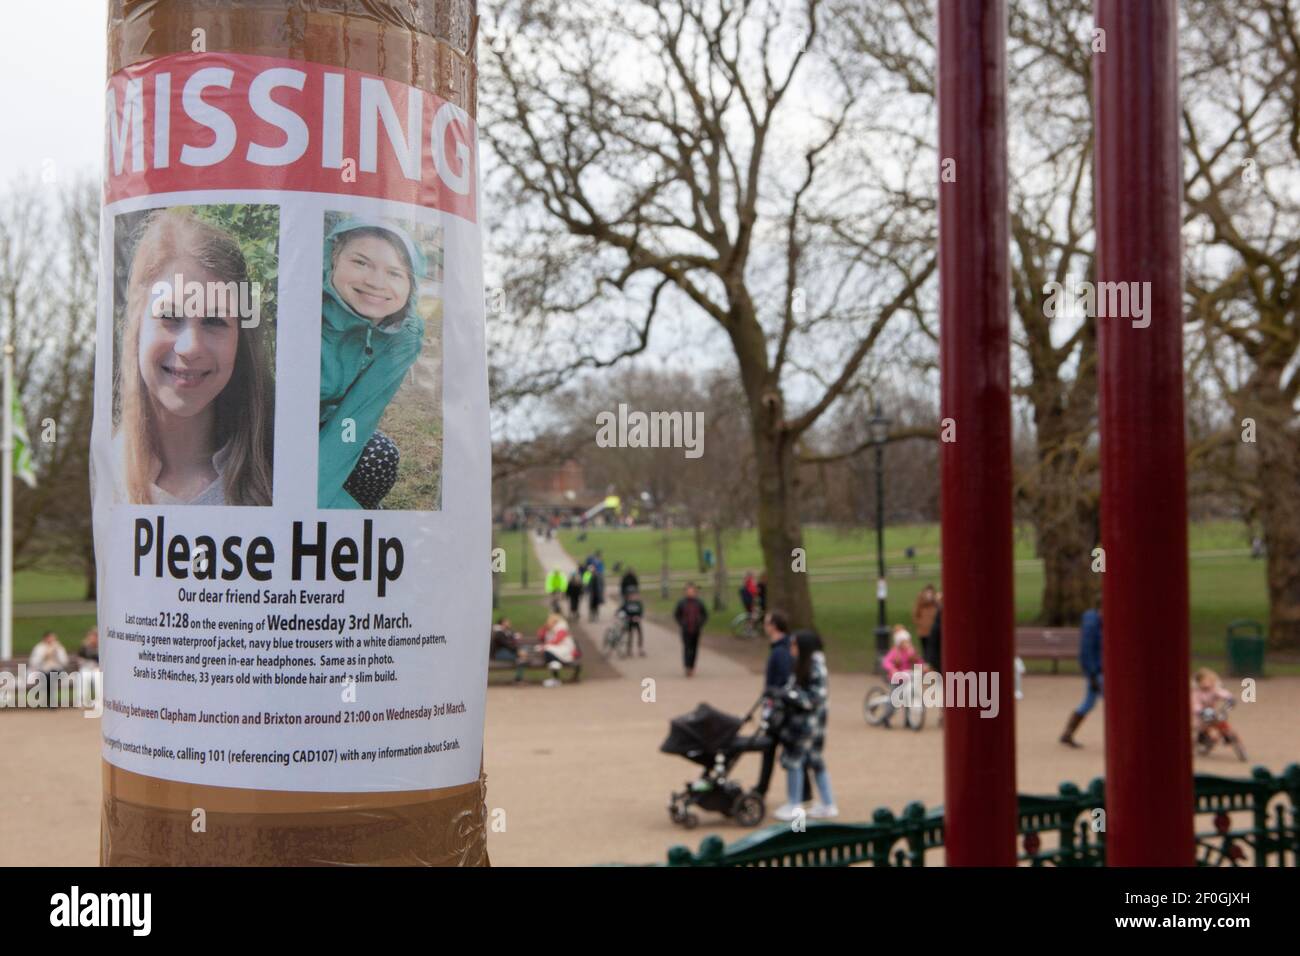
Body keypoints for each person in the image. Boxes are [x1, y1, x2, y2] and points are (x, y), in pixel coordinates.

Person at [114, 209, 275, 506]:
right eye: (170, 316)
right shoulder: (104, 477)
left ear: (241, 339)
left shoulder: (278, 474)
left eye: (214, 321)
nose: (190, 347)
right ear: (137, 323)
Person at [318, 217, 426, 509]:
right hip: (269, 432)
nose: (376, 282)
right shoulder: (301, 307)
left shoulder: (404, 335)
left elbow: (355, 419)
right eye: (361, 263)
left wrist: (311, 504)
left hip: (334, 425)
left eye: (394, 273)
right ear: (334, 258)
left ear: (410, 285)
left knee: (378, 455)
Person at [774, 630, 838, 821]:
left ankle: (795, 805)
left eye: (794, 645)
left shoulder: (814, 668)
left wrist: (788, 696)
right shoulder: (805, 665)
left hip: (807, 725)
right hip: (808, 723)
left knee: (796, 761)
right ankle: (828, 804)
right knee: (815, 761)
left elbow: (813, 698)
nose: (791, 649)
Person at [755, 609, 809, 802]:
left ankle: (801, 792)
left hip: (780, 709)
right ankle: (762, 788)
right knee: (773, 749)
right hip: (777, 705)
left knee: (786, 749)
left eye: (767, 622)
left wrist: (774, 696)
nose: (764, 625)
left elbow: (787, 681)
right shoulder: (780, 648)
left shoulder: (781, 651)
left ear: (774, 626)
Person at [1060, 606, 1102, 748]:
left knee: (1088, 703)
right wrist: (1092, 675)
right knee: (1118, 705)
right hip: (1098, 672)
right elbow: (1087, 652)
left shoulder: (1096, 624)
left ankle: (1068, 733)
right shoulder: (1092, 627)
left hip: (1097, 672)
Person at [880, 626, 925, 729]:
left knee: (909, 697)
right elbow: (886, 662)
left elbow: (918, 661)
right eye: (905, 642)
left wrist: (923, 667)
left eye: (908, 641)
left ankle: (908, 720)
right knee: (894, 700)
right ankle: (886, 717)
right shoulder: (895, 652)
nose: (908, 644)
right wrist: (892, 669)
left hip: (907, 677)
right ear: (899, 642)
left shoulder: (910, 652)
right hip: (896, 679)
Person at [673, 582, 709, 677]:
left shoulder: (699, 602)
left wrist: (700, 623)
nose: (690, 593)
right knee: (687, 648)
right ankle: (687, 666)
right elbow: (677, 614)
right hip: (686, 629)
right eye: (688, 591)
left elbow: (705, 615)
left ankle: (692, 666)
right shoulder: (682, 603)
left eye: (692, 591)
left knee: (694, 648)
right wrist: (681, 623)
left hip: (696, 629)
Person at [28, 631, 69, 708]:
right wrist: (44, 656)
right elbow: (33, 663)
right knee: (48, 677)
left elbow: (65, 662)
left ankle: (44, 694)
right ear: (45, 638)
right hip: (42, 672)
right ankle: (52, 701)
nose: (52, 640)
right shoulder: (39, 648)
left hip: (57, 671)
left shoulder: (59, 648)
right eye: (50, 638)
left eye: (53, 638)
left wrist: (56, 654)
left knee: (51, 676)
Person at [538, 613, 578, 688]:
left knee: (549, 654)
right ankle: (555, 678)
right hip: (558, 650)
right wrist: (544, 628)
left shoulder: (561, 627)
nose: (547, 622)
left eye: (549, 621)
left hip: (565, 650)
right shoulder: (550, 629)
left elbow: (557, 640)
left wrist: (545, 645)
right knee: (552, 661)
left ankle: (555, 678)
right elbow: (541, 636)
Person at [913, 585, 941, 667]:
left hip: (933, 632)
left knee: (933, 650)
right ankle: (926, 665)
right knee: (925, 649)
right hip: (923, 632)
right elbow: (915, 615)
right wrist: (920, 624)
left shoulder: (935, 604)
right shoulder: (920, 604)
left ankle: (932, 665)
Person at [618, 587, 646, 657]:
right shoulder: (626, 603)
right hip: (629, 622)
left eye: (634, 595)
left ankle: (640, 649)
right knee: (630, 636)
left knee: (640, 635)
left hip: (636, 622)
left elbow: (641, 612)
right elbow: (621, 610)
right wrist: (620, 615)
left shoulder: (638, 603)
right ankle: (629, 650)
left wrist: (639, 617)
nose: (632, 596)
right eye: (631, 595)